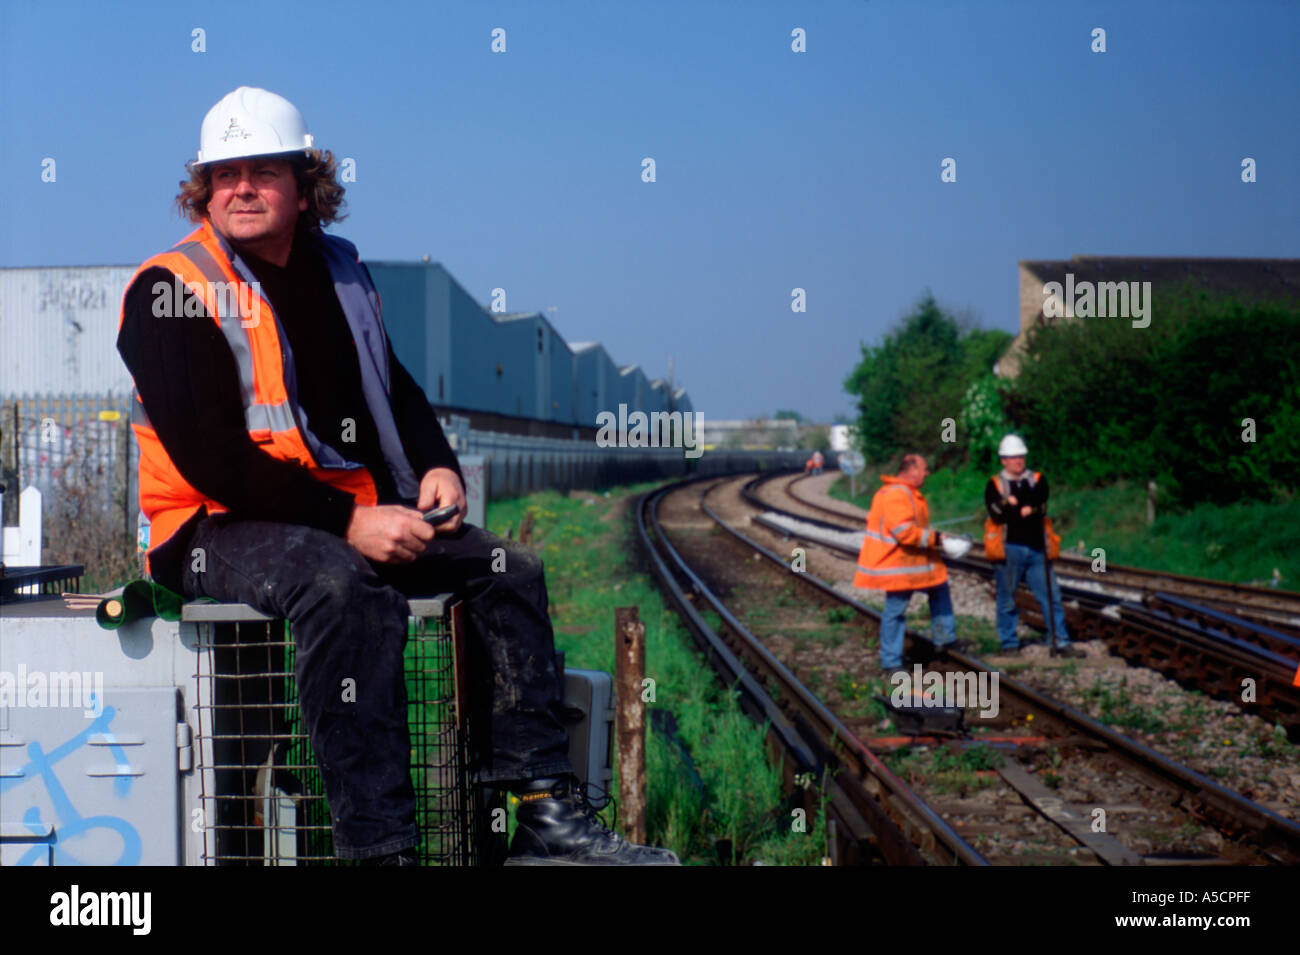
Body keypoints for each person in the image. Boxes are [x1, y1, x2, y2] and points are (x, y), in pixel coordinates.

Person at [115, 87, 678, 866]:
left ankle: (542, 814)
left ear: (305, 183)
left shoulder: (338, 270)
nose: (240, 187)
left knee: (505, 567)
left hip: (330, 514)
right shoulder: (170, 290)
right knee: (343, 586)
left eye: (262, 171)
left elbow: (394, 384)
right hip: (206, 526)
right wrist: (349, 524)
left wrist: (437, 461)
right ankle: (380, 851)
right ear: (202, 189)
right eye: (223, 173)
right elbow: (214, 458)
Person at [854, 453, 961, 675]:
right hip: (898, 565)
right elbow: (905, 533)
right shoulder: (897, 495)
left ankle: (944, 639)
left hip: (911, 564)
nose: (927, 473)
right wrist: (937, 539)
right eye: (923, 468)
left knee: (939, 588)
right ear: (910, 470)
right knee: (896, 610)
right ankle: (891, 661)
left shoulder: (904, 493)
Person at [985, 434, 1083, 658]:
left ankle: (1059, 642)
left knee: (1051, 597)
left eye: (1021, 456)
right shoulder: (994, 484)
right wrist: (1019, 508)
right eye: (1013, 457)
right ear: (1004, 460)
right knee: (1007, 598)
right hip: (1009, 549)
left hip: (1038, 548)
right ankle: (1009, 644)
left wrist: (1018, 506)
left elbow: (1041, 500)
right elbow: (997, 514)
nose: (1019, 460)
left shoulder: (1037, 479)